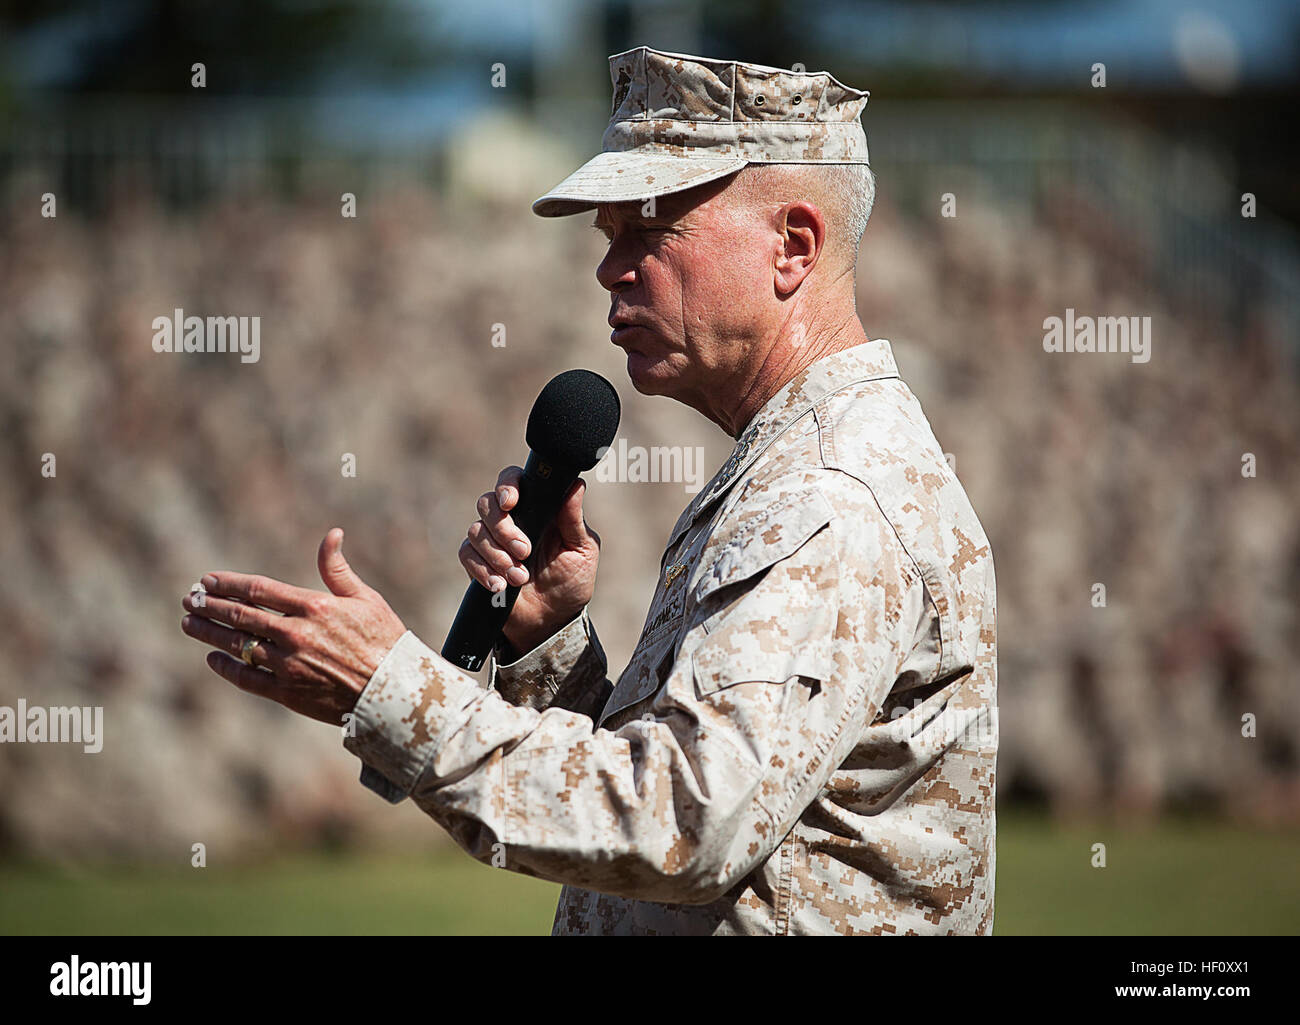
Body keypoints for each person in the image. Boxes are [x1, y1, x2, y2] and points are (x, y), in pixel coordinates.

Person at [180, 46, 998, 935]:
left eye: (650, 230)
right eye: (610, 239)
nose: (611, 271)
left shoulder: (831, 494)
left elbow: (686, 824)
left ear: (792, 246)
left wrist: (389, 689)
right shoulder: (797, 465)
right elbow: (693, 816)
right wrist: (550, 647)